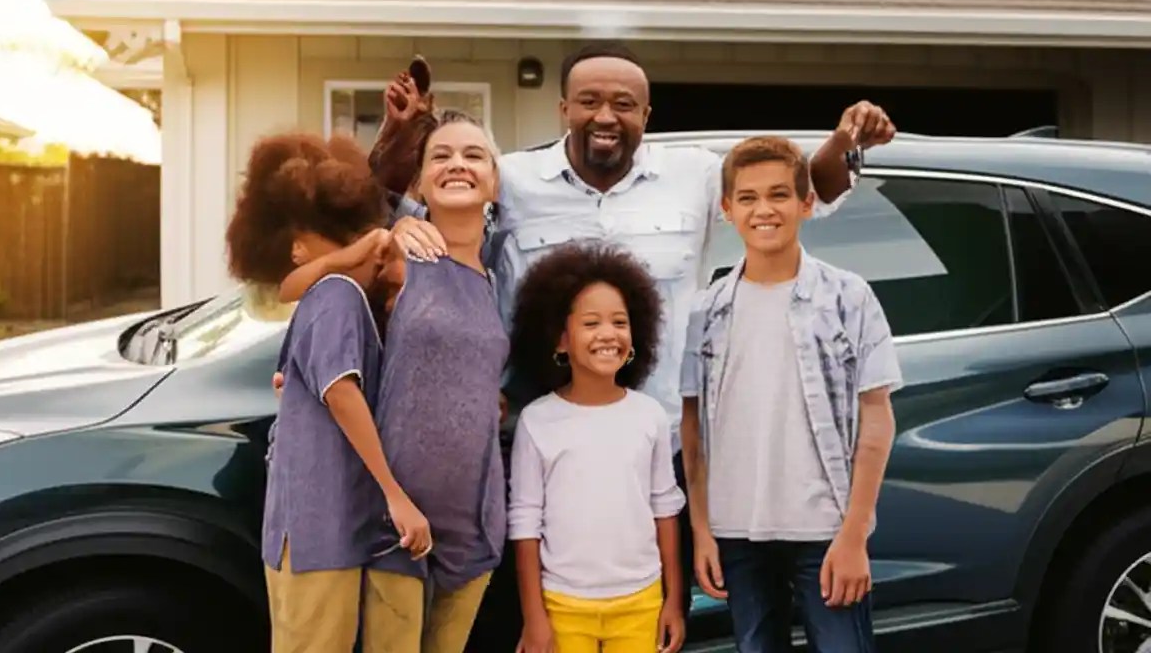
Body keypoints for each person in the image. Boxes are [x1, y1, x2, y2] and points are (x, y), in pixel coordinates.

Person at [381, 43, 897, 614]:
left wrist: (845, 142)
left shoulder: (698, 175)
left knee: (648, 617)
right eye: (589, 101)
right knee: (540, 618)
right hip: (538, 448)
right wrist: (397, 220)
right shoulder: (514, 179)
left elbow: (801, 191)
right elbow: (440, 232)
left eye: (624, 104)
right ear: (563, 110)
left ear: (647, 117)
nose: (606, 115)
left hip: (662, 449)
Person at [679, 136, 902, 652]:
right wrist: (704, 530)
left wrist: (854, 535)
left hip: (825, 528)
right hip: (736, 532)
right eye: (749, 198)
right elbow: (693, 428)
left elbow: (877, 418)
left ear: (806, 204)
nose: (764, 210)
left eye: (779, 195)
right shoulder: (705, 312)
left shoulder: (848, 297)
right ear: (727, 209)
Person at [224, 132, 430, 652]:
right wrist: (396, 494)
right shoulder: (337, 294)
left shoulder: (328, 296)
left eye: (304, 234)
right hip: (320, 528)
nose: (293, 249)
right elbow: (342, 394)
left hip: (318, 525)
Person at [354, 109, 509, 652]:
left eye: (474, 155)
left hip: (474, 522)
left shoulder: (500, 277)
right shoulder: (396, 256)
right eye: (440, 156)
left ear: (495, 180)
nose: (458, 165)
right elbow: (321, 302)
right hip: (397, 520)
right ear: (419, 183)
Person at [507, 242, 687, 653]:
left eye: (619, 322)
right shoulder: (537, 422)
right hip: (562, 605)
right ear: (559, 340)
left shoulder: (650, 416)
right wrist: (535, 619)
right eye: (591, 323)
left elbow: (665, 509)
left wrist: (672, 601)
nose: (608, 334)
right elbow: (524, 523)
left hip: (640, 602)